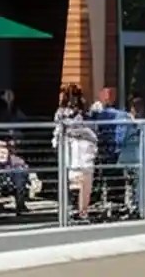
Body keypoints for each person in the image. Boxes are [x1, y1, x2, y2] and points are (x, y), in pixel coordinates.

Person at [54, 83, 97, 220]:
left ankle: (80, 210)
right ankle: (77, 210)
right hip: (74, 150)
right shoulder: (64, 113)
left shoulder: (85, 113)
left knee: (81, 180)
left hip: (82, 149)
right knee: (76, 180)